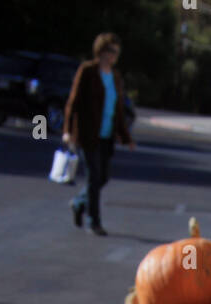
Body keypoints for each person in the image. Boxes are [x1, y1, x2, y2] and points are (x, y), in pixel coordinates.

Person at [63, 33, 134, 236]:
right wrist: (68, 131)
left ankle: (78, 203)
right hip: (89, 134)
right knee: (94, 177)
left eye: (116, 53)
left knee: (103, 177)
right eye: (111, 51)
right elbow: (73, 102)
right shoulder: (87, 71)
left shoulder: (115, 77)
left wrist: (126, 136)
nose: (113, 57)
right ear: (101, 51)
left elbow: (118, 109)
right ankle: (94, 221)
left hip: (106, 135)